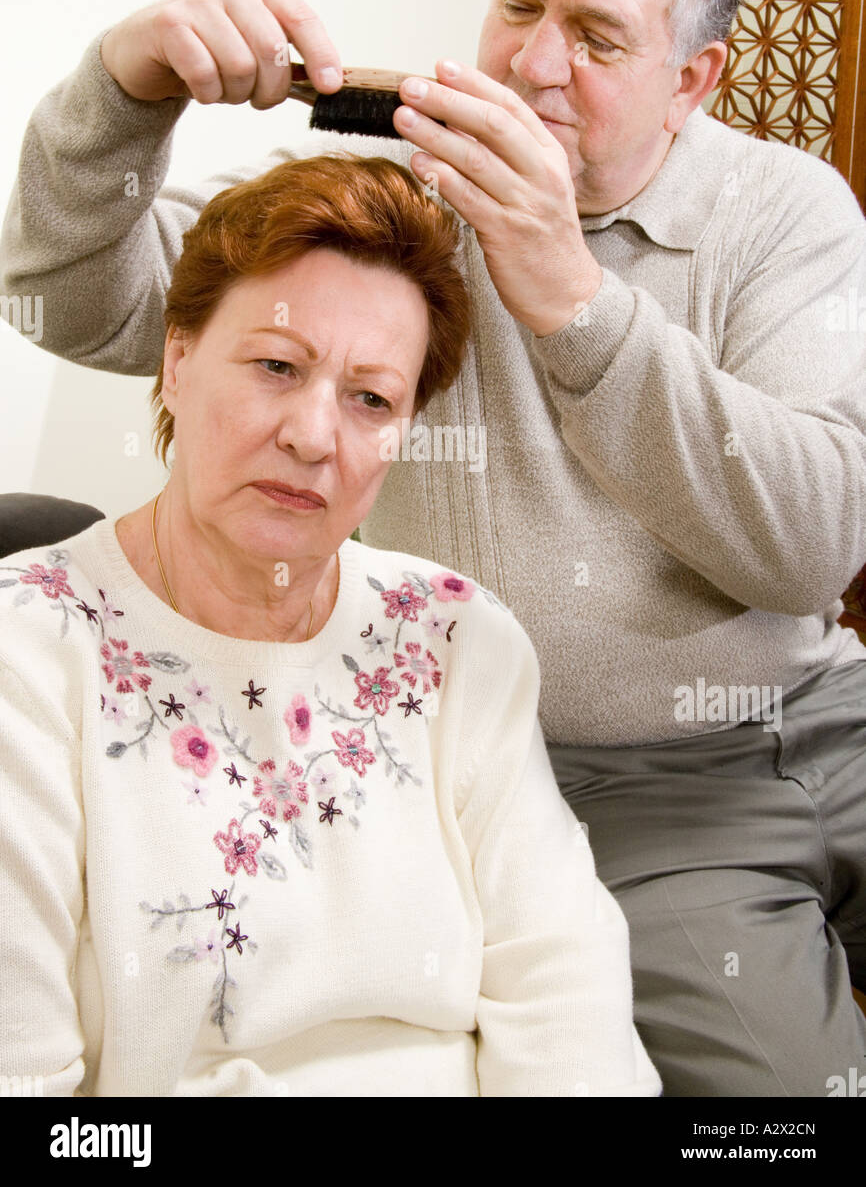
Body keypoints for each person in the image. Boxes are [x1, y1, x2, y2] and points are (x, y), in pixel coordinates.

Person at [2, 0, 865, 1096]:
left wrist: (574, 301)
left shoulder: (786, 212)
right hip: (627, 783)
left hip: (822, 714)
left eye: (599, 33)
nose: (532, 62)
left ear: (693, 79)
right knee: (784, 1111)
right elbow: (65, 297)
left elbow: (815, 543)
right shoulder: (408, 197)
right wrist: (120, 92)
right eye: (517, 1)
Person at [0, 151, 660, 1097]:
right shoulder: (27, 653)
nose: (315, 436)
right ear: (178, 363)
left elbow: (564, 991)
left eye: (371, 399)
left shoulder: (455, 638)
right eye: (276, 366)